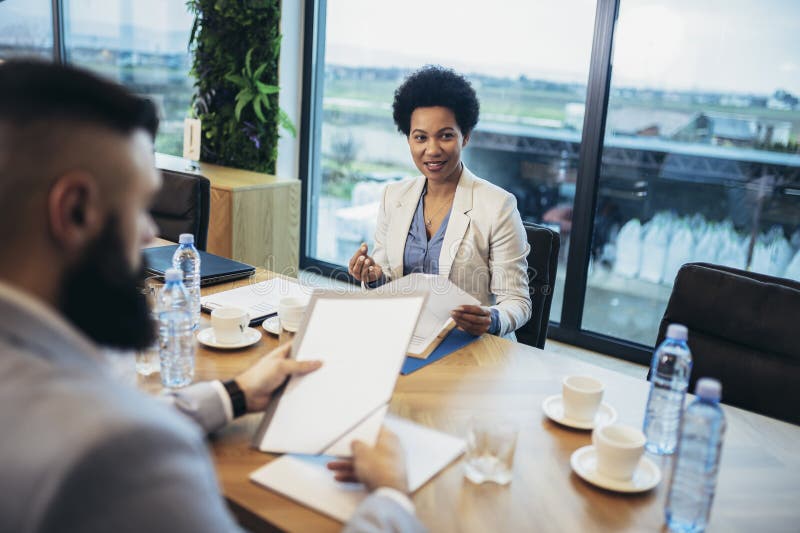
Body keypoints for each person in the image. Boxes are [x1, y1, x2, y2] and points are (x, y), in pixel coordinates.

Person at [0, 60, 423, 533]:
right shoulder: (121, 454)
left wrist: (235, 394)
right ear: (74, 211)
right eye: (138, 209)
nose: (147, 235)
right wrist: (393, 498)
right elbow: (111, 436)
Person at [348, 66, 531, 338]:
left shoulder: (499, 206)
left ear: (465, 136)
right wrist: (374, 278)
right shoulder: (393, 196)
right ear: (408, 139)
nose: (432, 150)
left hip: (468, 344)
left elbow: (518, 301)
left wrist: (491, 319)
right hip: (405, 335)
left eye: (446, 135)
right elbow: (388, 280)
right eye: (420, 137)